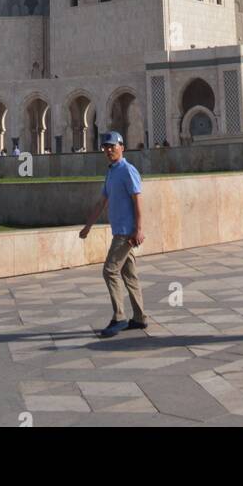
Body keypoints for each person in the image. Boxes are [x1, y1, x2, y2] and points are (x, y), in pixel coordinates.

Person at [79, 131, 149, 338]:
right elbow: (102, 202)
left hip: (126, 232)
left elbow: (138, 201)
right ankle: (139, 318)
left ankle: (119, 317)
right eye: (105, 147)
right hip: (119, 230)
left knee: (109, 271)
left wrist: (139, 229)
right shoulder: (111, 172)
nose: (109, 150)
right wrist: (88, 226)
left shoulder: (128, 170)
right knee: (129, 275)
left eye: (112, 146)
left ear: (122, 147)